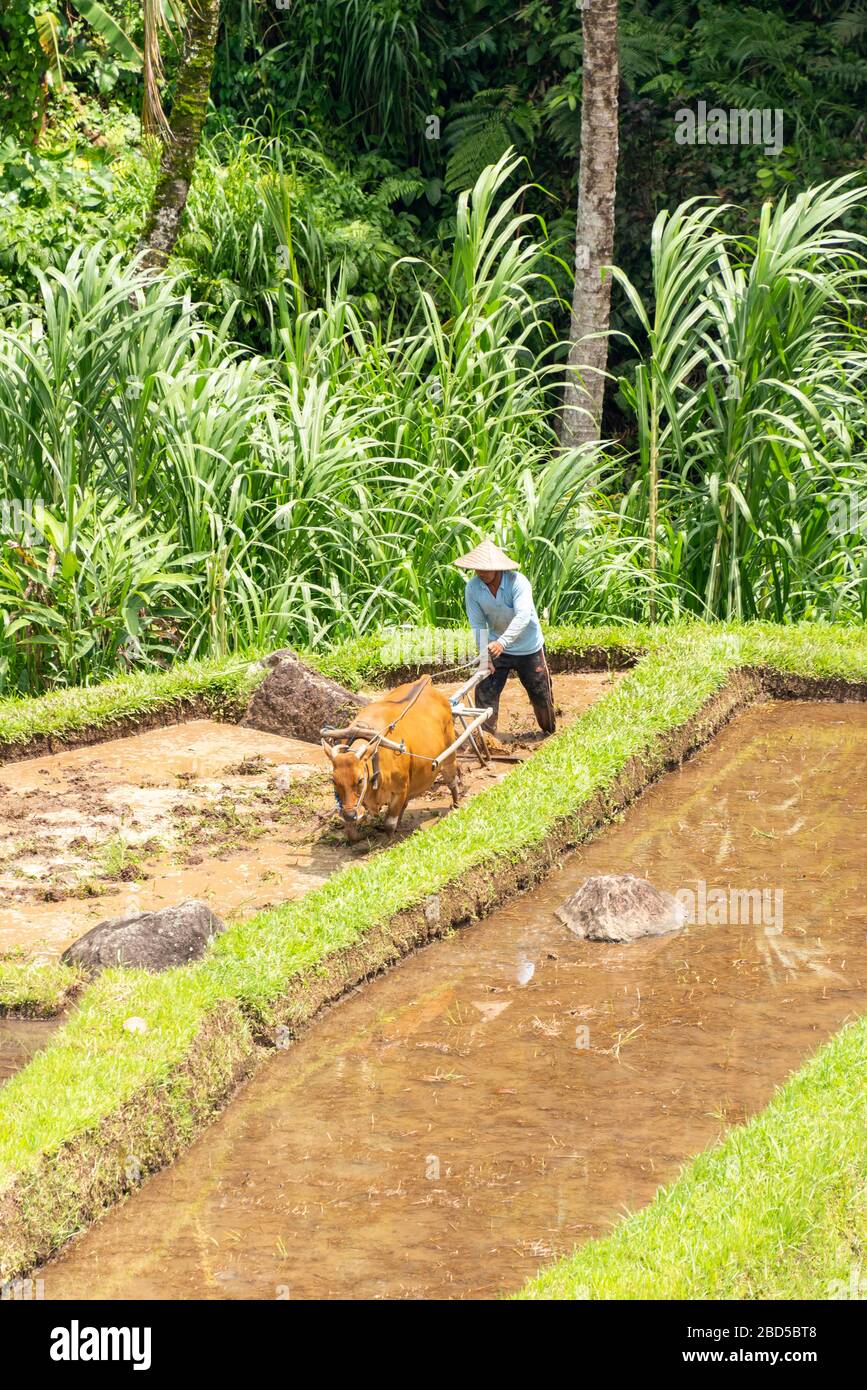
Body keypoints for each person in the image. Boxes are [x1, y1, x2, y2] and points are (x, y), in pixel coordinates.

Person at [455, 537, 556, 736]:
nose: (480, 573)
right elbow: (477, 624)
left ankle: (549, 732)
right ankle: (487, 737)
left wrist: (503, 642)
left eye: (485, 569)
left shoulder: (518, 583)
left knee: (540, 694)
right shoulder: (473, 588)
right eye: (477, 569)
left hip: (528, 647)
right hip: (496, 647)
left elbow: (524, 616)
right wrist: (485, 658)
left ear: (498, 568)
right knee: (485, 692)